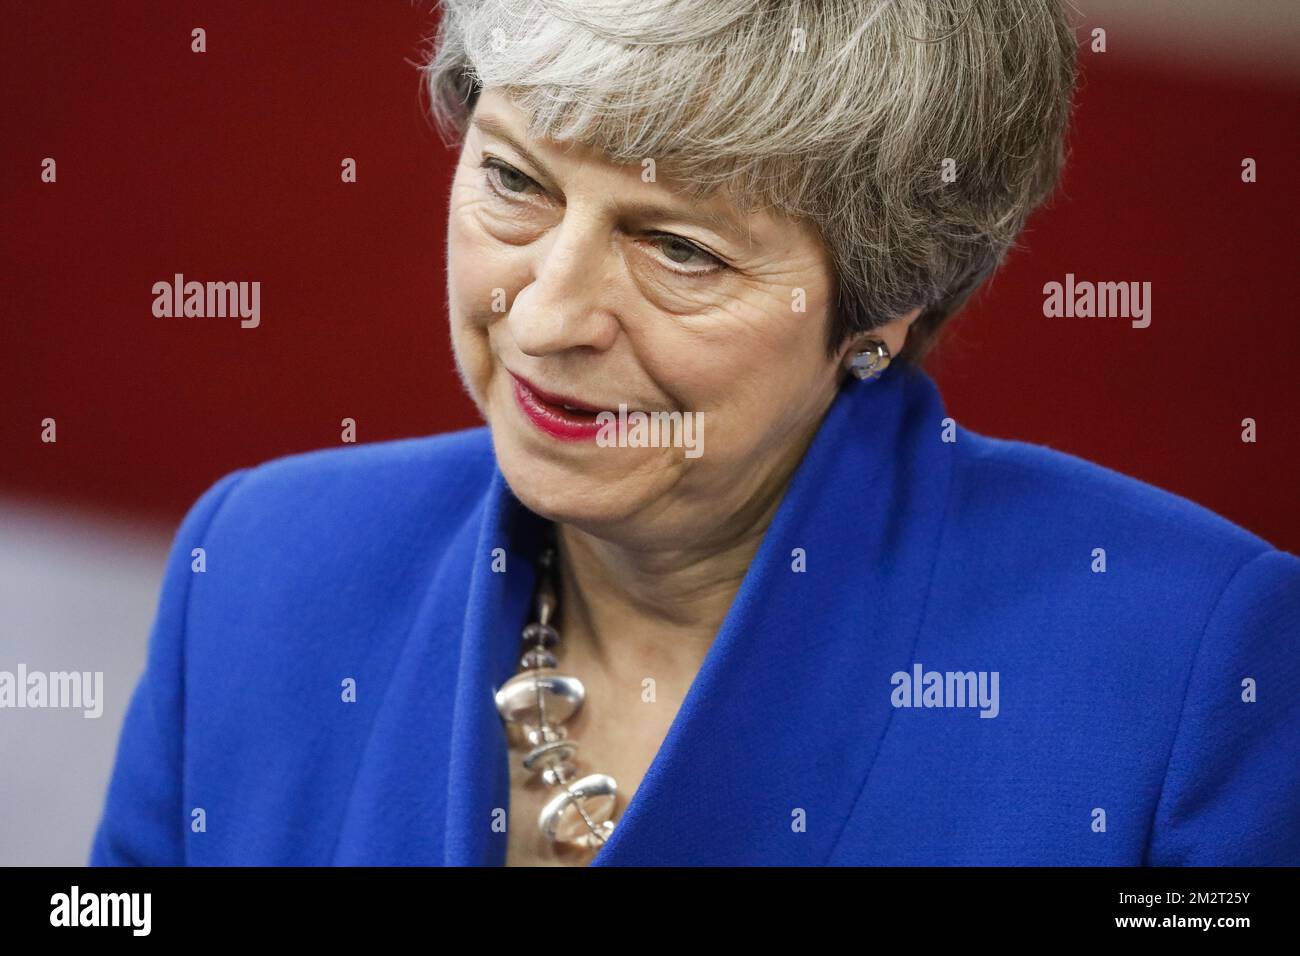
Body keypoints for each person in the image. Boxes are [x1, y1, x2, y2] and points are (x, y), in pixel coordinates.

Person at [90, 0, 1300, 867]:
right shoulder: (259, 565)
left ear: (880, 308)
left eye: (679, 248)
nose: (549, 316)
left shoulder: (1187, 673)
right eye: (515, 182)